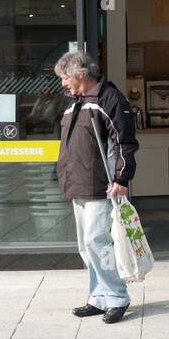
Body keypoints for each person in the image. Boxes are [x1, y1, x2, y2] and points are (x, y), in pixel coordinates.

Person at [55, 49, 139, 324]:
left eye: (65, 78)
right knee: (85, 245)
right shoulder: (75, 102)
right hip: (77, 182)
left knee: (97, 242)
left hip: (98, 184)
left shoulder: (109, 99)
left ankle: (117, 297)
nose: (63, 83)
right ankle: (98, 297)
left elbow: (124, 142)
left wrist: (121, 179)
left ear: (81, 74)